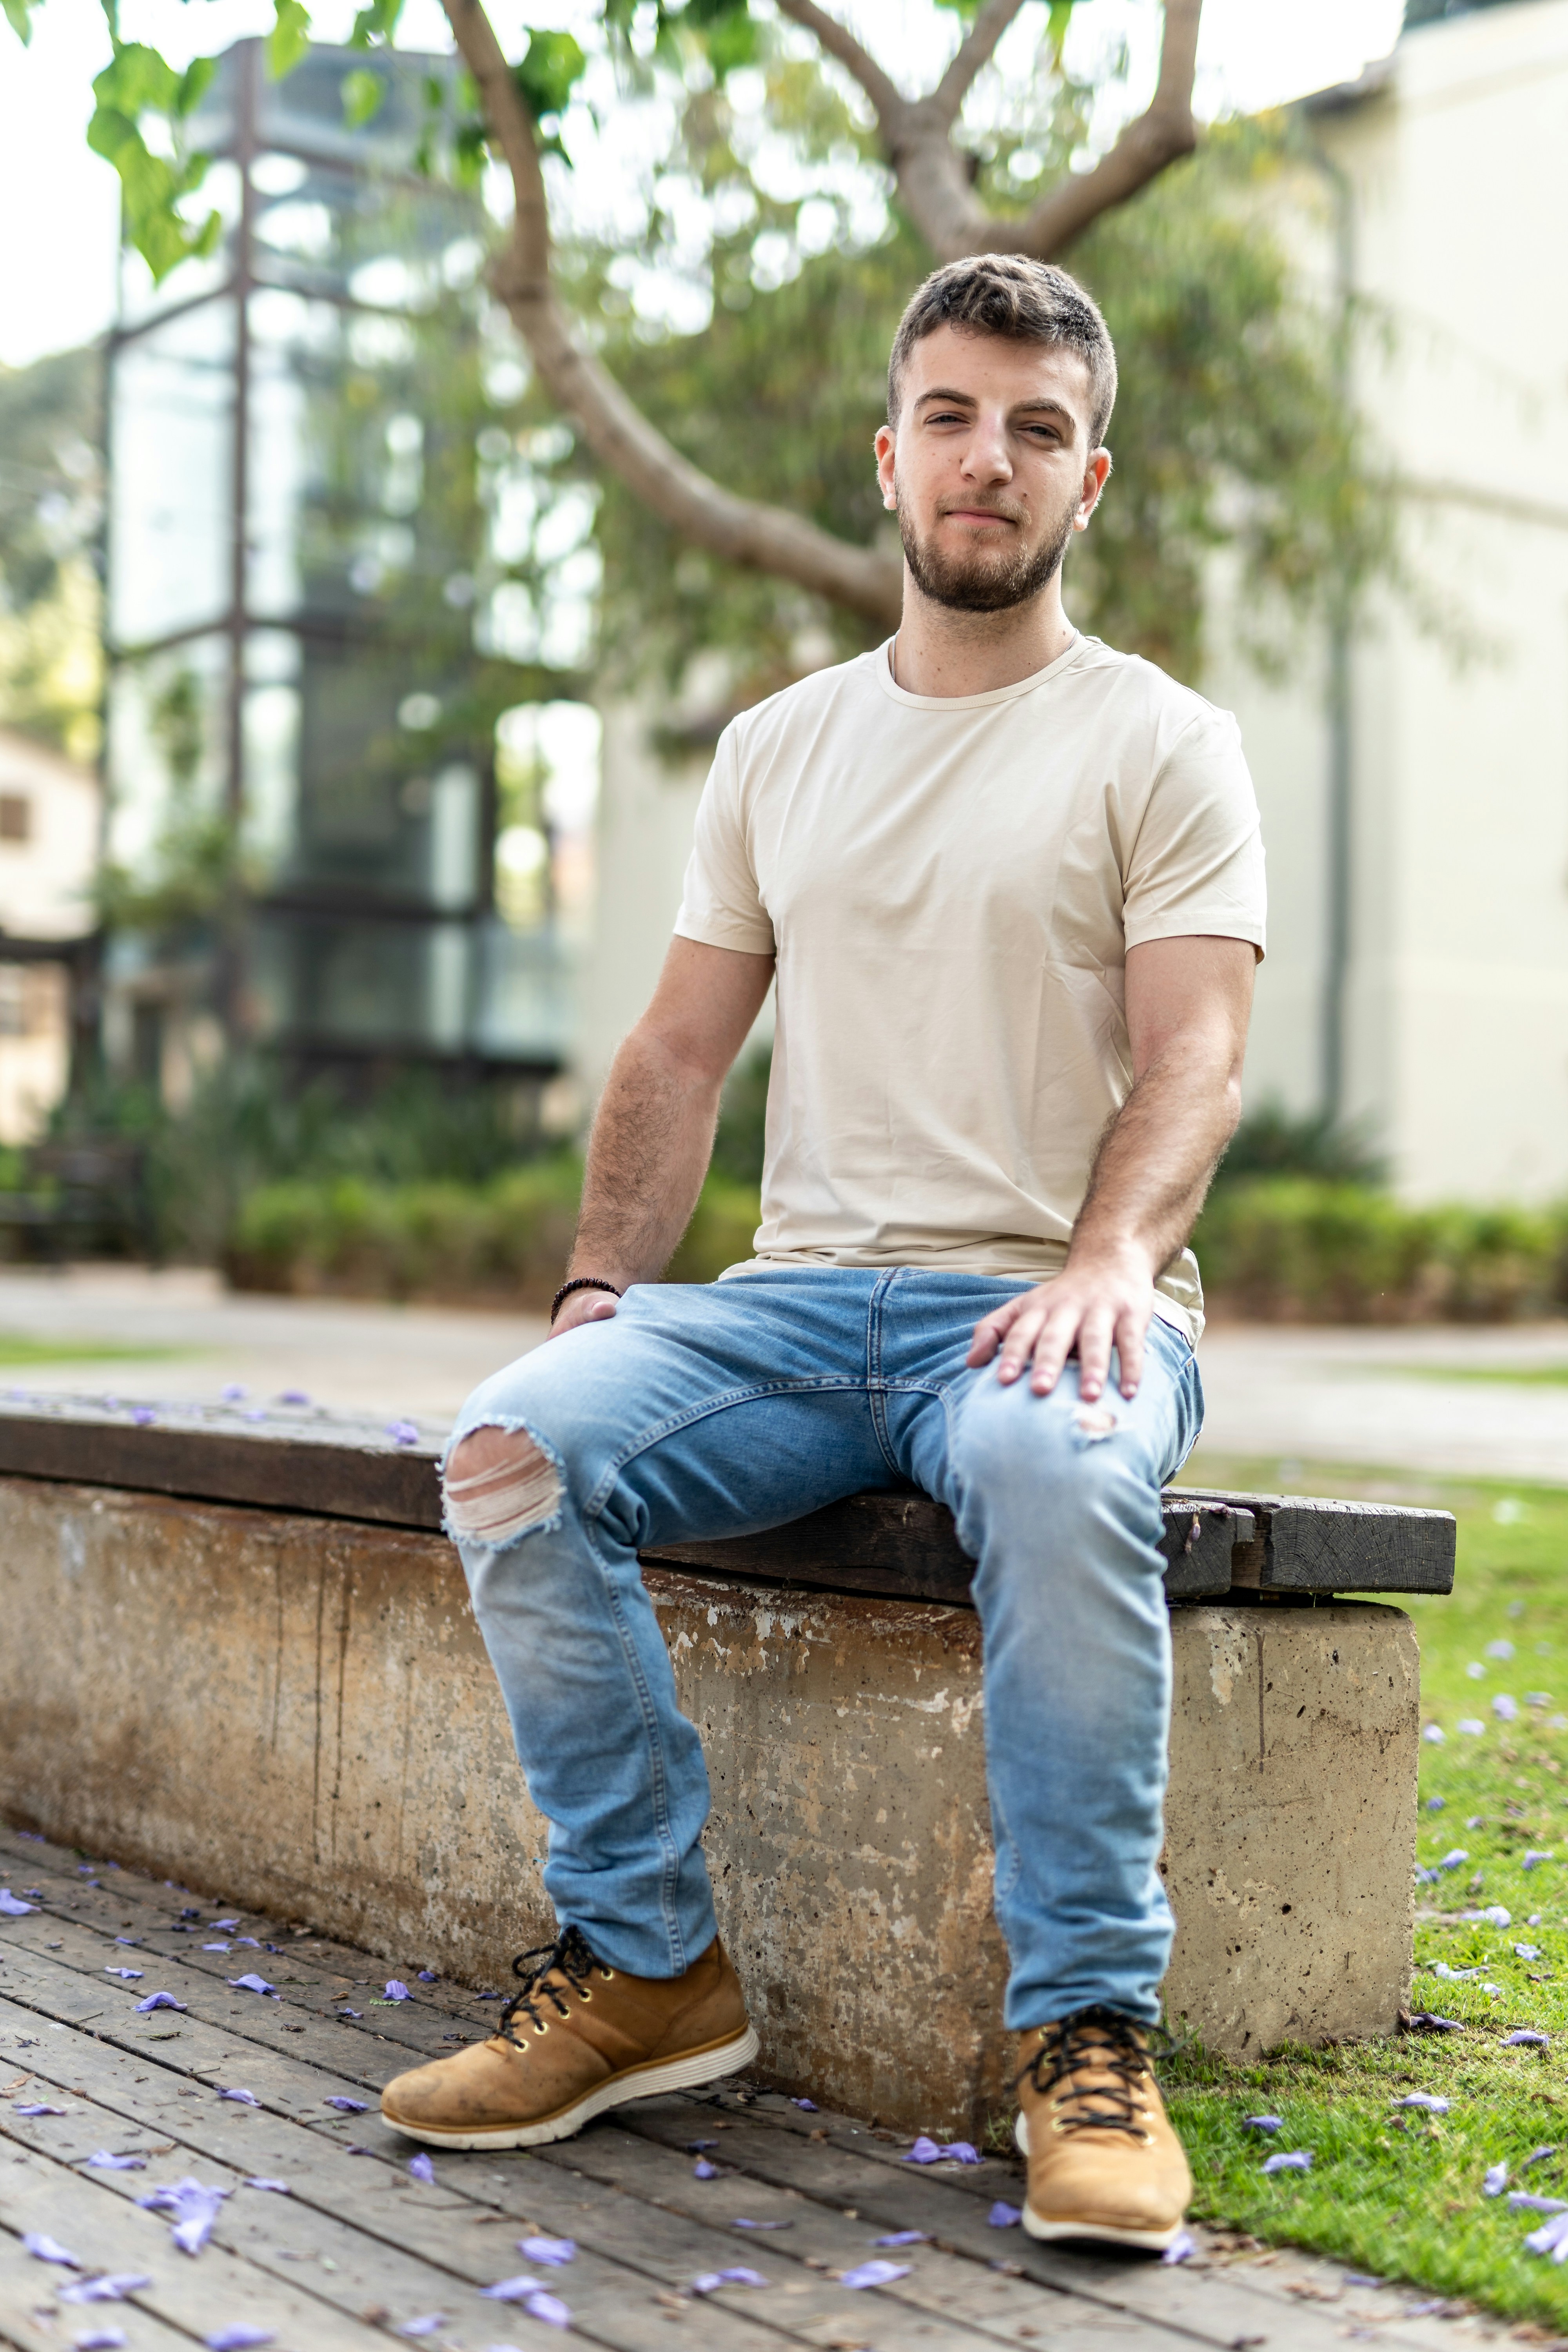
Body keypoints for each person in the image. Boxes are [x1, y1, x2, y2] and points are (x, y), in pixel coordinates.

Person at [381, 252, 1264, 2252]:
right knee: (516, 1443)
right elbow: (679, 1050)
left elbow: (1198, 1048)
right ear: (889, 456)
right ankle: (644, 1970)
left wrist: (1112, 1258)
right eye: (953, 418)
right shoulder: (778, 749)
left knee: (1055, 1470)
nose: (989, 460)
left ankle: (1089, 2040)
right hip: (786, 1316)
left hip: (1037, 1314)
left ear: (1088, 481)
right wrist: (606, 1287)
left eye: (1037, 430)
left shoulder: (1160, 742)